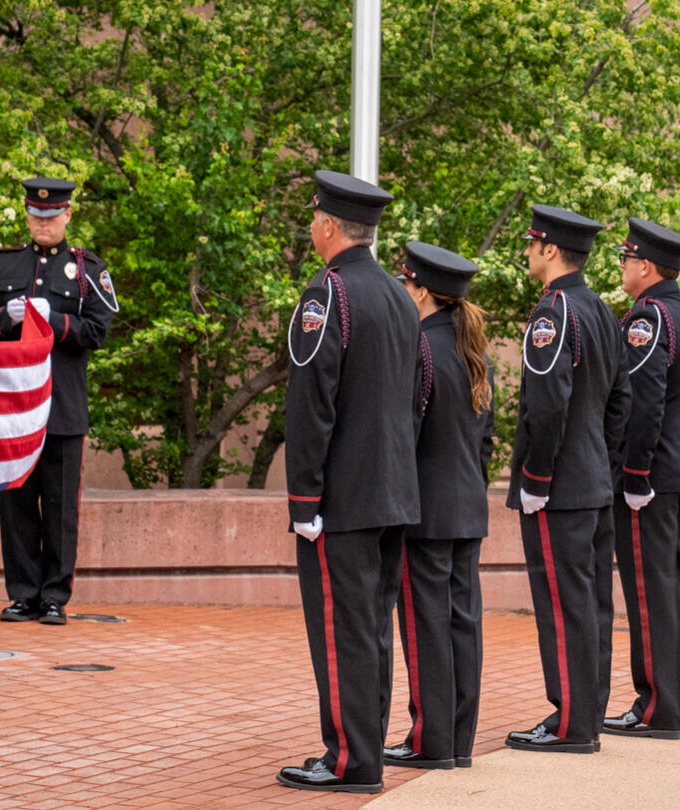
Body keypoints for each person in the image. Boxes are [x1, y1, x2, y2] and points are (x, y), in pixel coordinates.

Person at [275, 171, 421, 795]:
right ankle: (365, 752)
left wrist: (304, 496)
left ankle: (349, 762)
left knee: (341, 631)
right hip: (392, 490)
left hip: (343, 498)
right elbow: (416, 397)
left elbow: (312, 405)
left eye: (315, 219)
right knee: (371, 631)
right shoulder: (396, 294)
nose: (312, 228)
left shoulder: (327, 295)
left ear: (330, 226)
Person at [504, 205, 631, 754]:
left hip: (560, 487)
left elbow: (547, 404)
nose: (528, 252)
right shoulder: (600, 309)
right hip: (593, 479)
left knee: (564, 605)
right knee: (591, 604)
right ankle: (588, 713)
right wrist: (600, 458)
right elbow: (621, 400)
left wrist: (536, 475)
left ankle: (571, 724)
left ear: (551, 249)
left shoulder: (555, 312)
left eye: (533, 244)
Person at [0, 177, 116, 626]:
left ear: (67, 215)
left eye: (51, 217)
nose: (43, 224)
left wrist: (58, 322)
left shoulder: (88, 269)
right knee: (15, 504)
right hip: (13, 409)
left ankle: (54, 595)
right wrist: (3, 318)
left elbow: (99, 331)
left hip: (62, 407)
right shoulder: (3, 265)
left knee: (59, 508)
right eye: (35, 215)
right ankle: (23, 594)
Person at [383, 242, 494, 771]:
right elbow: (485, 438)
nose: (404, 293)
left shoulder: (420, 348)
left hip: (425, 511)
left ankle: (431, 742)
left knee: (427, 628)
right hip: (467, 506)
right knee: (460, 625)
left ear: (423, 291)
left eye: (407, 284)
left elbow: (406, 434)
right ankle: (457, 740)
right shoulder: (473, 350)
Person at [603, 217, 680, 740]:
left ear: (644, 266)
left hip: (651, 477)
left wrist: (636, 471)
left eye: (626, 260)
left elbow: (642, 403)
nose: (622, 267)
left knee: (649, 592)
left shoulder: (648, 319)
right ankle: (675, 704)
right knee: (673, 590)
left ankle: (657, 709)